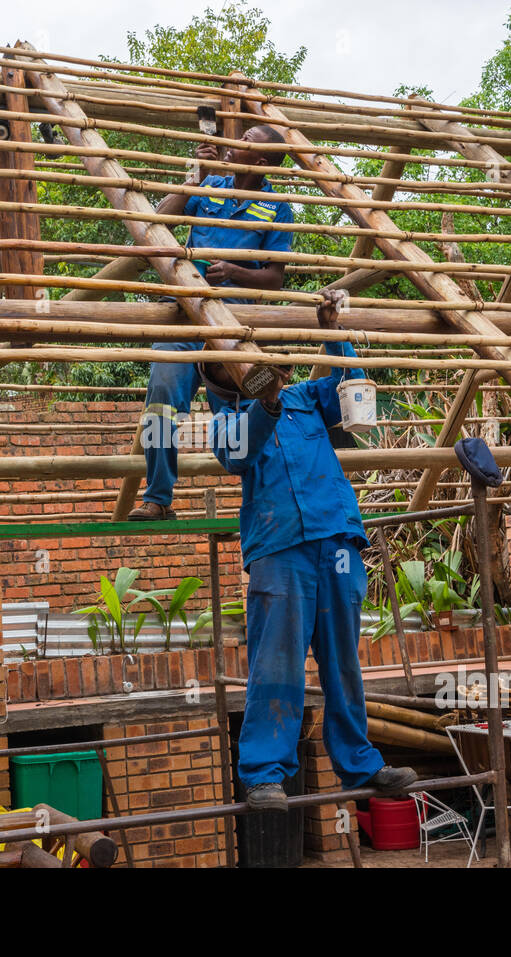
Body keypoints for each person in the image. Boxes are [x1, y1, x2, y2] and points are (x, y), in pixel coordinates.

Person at [206, 290, 417, 811]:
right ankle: (263, 774)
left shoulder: (302, 398)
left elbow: (351, 392)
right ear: (219, 377)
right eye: (229, 361)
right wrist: (266, 403)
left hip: (336, 539)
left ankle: (360, 766)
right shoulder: (224, 424)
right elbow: (240, 455)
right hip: (280, 550)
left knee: (343, 660)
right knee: (275, 662)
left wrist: (333, 331)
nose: (242, 365)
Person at [128, 124, 295, 521]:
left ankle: (264, 507)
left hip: (232, 323)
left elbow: (274, 278)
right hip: (184, 314)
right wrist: (194, 179)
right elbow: (155, 224)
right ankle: (158, 497)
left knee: (242, 414)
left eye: (246, 141)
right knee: (162, 398)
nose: (231, 143)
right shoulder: (210, 184)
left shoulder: (278, 208)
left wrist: (235, 271)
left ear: (259, 161)